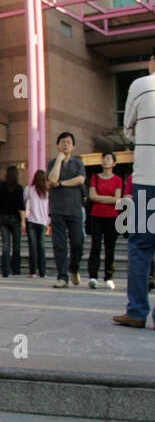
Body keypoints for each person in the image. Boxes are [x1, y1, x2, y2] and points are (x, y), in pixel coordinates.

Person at [114, 49, 155, 328]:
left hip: (146, 180)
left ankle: (138, 311)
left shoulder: (141, 85)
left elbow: (127, 130)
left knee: (141, 246)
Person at [47, 131, 86, 287]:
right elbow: (52, 179)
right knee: (59, 244)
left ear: (73, 146)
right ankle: (62, 277)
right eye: (62, 142)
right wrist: (59, 161)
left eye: (68, 142)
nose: (65, 144)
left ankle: (73, 268)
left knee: (78, 242)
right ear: (57, 145)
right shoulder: (52, 162)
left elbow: (80, 180)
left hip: (75, 210)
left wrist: (62, 183)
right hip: (57, 209)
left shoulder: (78, 164)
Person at [87, 152, 122, 289]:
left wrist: (100, 198)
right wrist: (109, 199)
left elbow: (117, 199)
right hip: (96, 216)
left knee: (110, 247)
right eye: (104, 159)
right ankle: (93, 276)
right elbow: (92, 196)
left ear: (114, 163)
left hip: (112, 217)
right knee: (95, 246)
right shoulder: (95, 177)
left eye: (108, 159)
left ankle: (109, 277)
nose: (105, 161)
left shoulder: (118, 180)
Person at [0, 165, 26, 277]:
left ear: (6, 174)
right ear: (17, 175)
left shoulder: (0, 186)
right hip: (15, 218)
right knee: (16, 244)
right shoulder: (19, 188)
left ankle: (5, 270)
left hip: (3, 218)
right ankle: (16, 269)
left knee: (5, 244)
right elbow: (21, 206)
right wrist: (23, 221)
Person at [24, 169, 49, 278]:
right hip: (43, 222)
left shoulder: (29, 189)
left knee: (32, 247)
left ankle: (32, 272)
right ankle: (42, 272)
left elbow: (23, 201)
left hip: (31, 221)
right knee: (41, 247)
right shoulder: (47, 192)